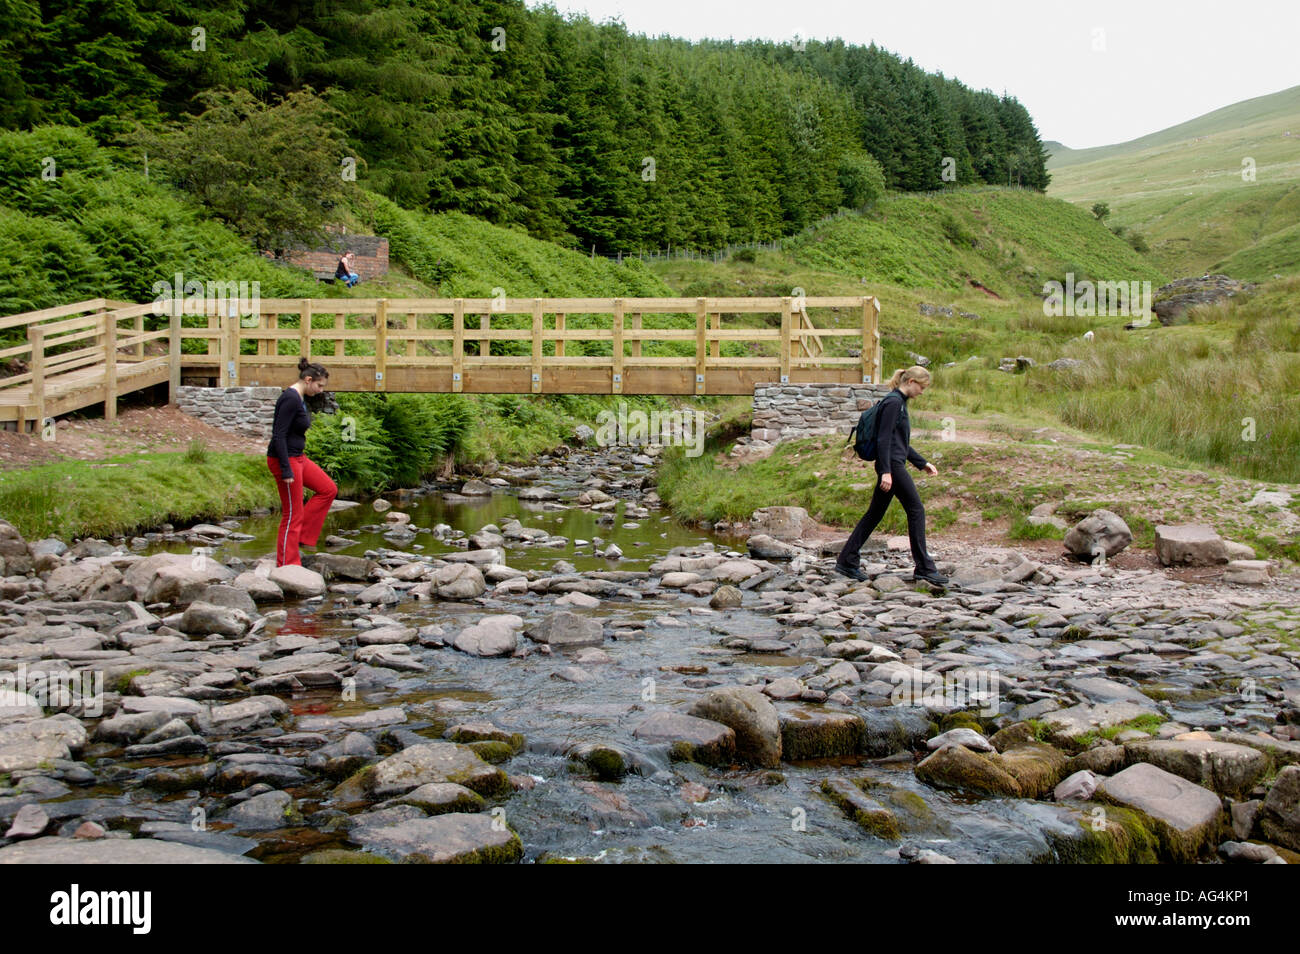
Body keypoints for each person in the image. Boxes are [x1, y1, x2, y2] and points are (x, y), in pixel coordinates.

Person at [835, 365, 948, 586]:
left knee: (874, 514)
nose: (922, 392)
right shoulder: (894, 402)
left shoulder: (898, 403)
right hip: (893, 468)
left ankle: (847, 560)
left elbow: (900, 443)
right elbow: (883, 440)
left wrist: (921, 462)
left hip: (893, 464)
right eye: (922, 387)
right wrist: (886, 471)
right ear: (912, 382)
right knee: (916, 510)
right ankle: (924, 567)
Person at [267, 358, 338, 567]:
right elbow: (278, 436)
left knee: (328, 489)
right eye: (319, 385)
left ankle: (302, 536)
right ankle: (288, 564)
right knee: (292, 514)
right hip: (285, 460)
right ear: (308, 380)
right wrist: (286, 470)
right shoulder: (289, 398)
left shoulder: (299, 397)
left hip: (298, 457)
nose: (321, 390)